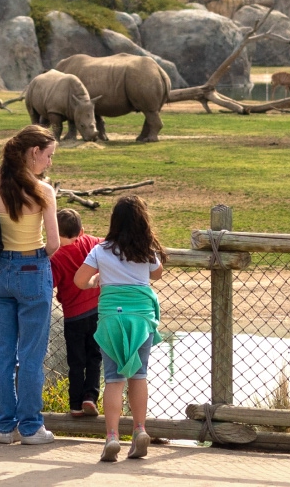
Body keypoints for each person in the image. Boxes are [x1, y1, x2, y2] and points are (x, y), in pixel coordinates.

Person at [73, 195, 165, 462]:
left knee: (113, 379)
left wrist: (96, 281)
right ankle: (139, 430)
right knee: (139, 374)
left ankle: (112, 437)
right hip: (141, 318)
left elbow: (80, 280)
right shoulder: (146, 249)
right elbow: (156, 273)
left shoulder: (101, 250)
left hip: (112, 318)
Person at [0, 125, 60, 446]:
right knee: (31, 354)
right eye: (48, 155)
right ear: (34, 153)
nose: (49, 162)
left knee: (2, 353)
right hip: (32, 267)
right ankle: (30, 427)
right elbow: (54, 243)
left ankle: (5, 427)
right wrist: (36, 258)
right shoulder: (44, 191)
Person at [50, 208, 104, 418]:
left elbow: (52, 282)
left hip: (73, 316)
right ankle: (90, 396)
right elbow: (107, 242)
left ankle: (74, 404)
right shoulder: (89, 242)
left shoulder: (55, 257)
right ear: (81, 230)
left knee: (75, 362)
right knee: (94, 357)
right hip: (96, 311)